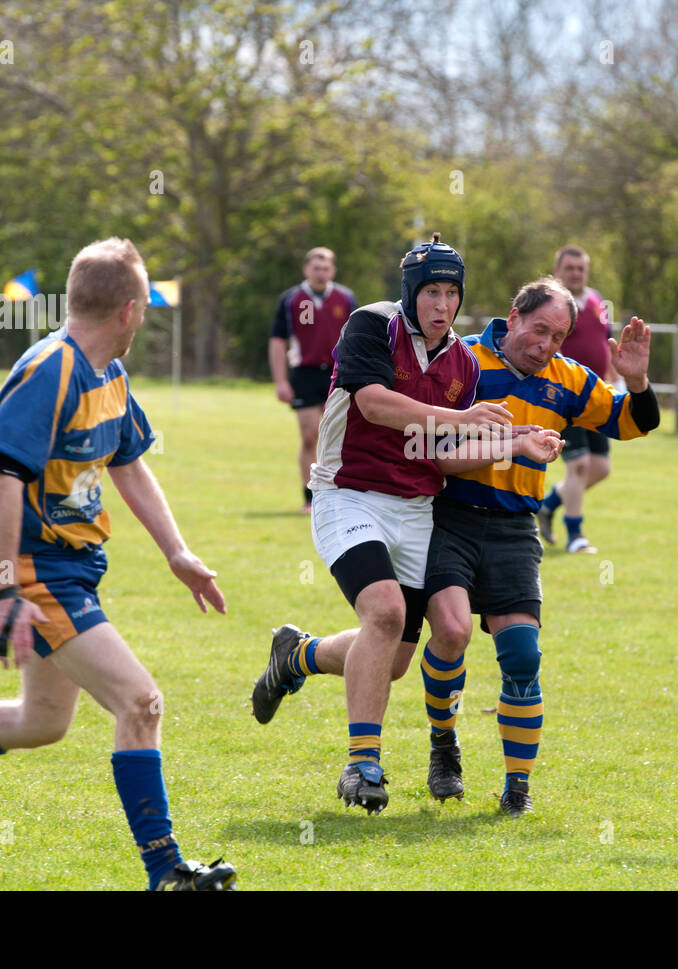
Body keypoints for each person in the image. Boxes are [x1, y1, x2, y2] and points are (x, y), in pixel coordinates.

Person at [0, 238, 236, 890]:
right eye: (143, 307)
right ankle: (165, 871)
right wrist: (4, 593)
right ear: (130, 309)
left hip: (77, 568)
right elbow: (2, 482)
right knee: (140, 702)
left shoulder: (109, 374)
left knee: (41, 723)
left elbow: (130, 464)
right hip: (39, 574)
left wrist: (177, 551)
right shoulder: (48, 371)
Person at [254, 276, 657, 817]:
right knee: (442, 631)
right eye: (539, 330)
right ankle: (442, 746)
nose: (546, 345)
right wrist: (508, 446)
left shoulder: (570, 379)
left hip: (516, 527)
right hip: (447, 518)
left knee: (511, 654)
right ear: (513, 318)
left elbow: (632, 422)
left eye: (559, 336)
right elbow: (430, 449)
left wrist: (636, 383)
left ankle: (516, 793)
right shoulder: (458, 361)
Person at [537, 245, 620, 554]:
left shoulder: (598, 301)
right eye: (569, 268)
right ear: (558, 270)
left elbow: (605, 341)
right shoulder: (552, 303)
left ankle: (548, 505)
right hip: (564, 395)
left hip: (596, 395)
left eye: (580, 268)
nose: (576, 273)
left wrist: (615, 378)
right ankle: (576, 536)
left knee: (601, 467)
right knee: (580, 465)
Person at [269, 247, 357, 513]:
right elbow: (277, 341)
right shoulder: (291, 299)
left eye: (325, 267)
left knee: (340, 437)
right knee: (310, 436)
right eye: (316, 267)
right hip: (304, 374)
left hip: (338, 374)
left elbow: (356, 338)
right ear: (306, 269)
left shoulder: (346, 298)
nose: (321, 272)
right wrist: (281, 380)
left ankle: (339, 493)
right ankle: (310, 497)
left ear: (333, 270)